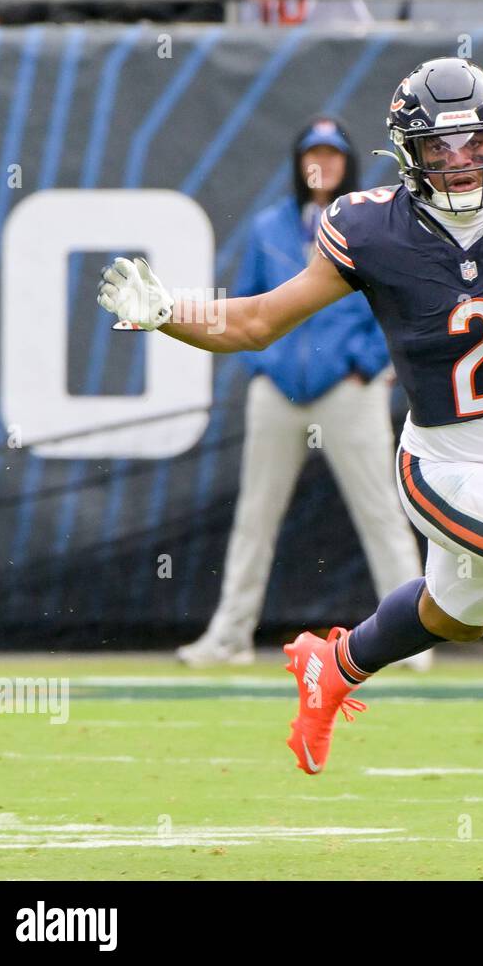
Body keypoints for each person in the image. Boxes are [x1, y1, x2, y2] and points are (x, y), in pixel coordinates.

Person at [97, 58, 483, 843]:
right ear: (410, 156)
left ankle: (330, 667)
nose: (461, 161)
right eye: (441, 149)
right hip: (444, 461)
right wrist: (163, 311)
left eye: (474, 142)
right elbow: (257, 322)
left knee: (453, 615)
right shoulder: (371, 230)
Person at [176, 116, 429, 672]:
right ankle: (228, 638)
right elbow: (242, 305)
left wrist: (363, 365)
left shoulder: (368, 227)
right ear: (299, 163)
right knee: (254, 516)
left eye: (334, 156)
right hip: (279, 393)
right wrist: (266, 366)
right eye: (313, 154)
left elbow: (397, 304)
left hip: (347, 390)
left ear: (347, 165)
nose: (324, 165)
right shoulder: (269, 228)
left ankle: (411, 641)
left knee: (383, 512)